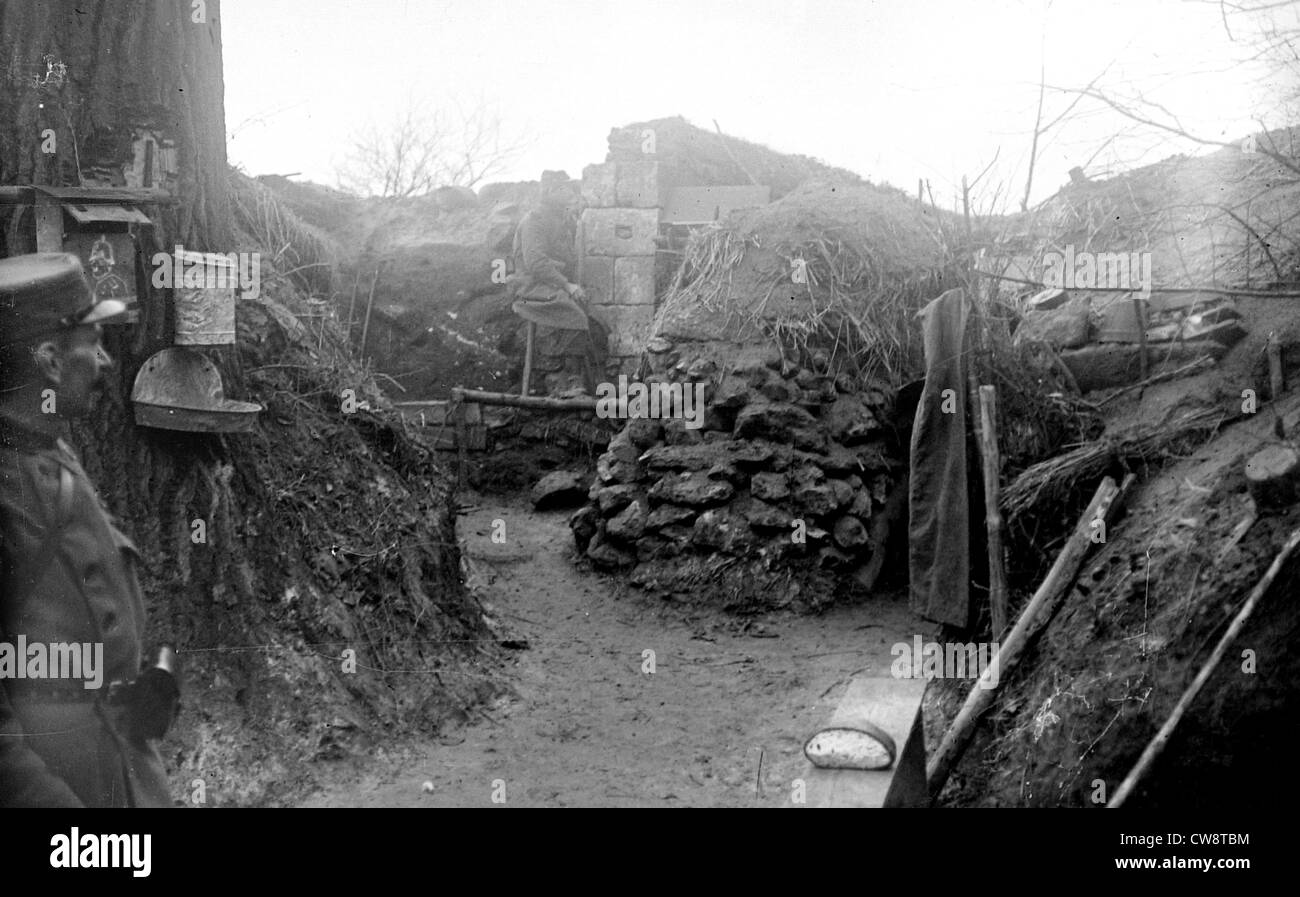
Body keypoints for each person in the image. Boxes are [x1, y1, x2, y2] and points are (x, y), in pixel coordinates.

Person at [0, 252, 174, 807]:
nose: (103, 361)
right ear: (50, 360)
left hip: (122, 768)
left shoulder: (48, 448)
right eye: (92, 342)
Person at [509, 170, 607, 391]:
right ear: (551, 191)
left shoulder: (562, 219)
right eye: (564, 188)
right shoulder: (535, 221)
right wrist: (568, 285)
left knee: (597, 321)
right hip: (530, 287)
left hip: (552, 285)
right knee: (573, 313)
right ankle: (570, 382)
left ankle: (597, 382)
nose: (570, 192)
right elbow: (536, 264)